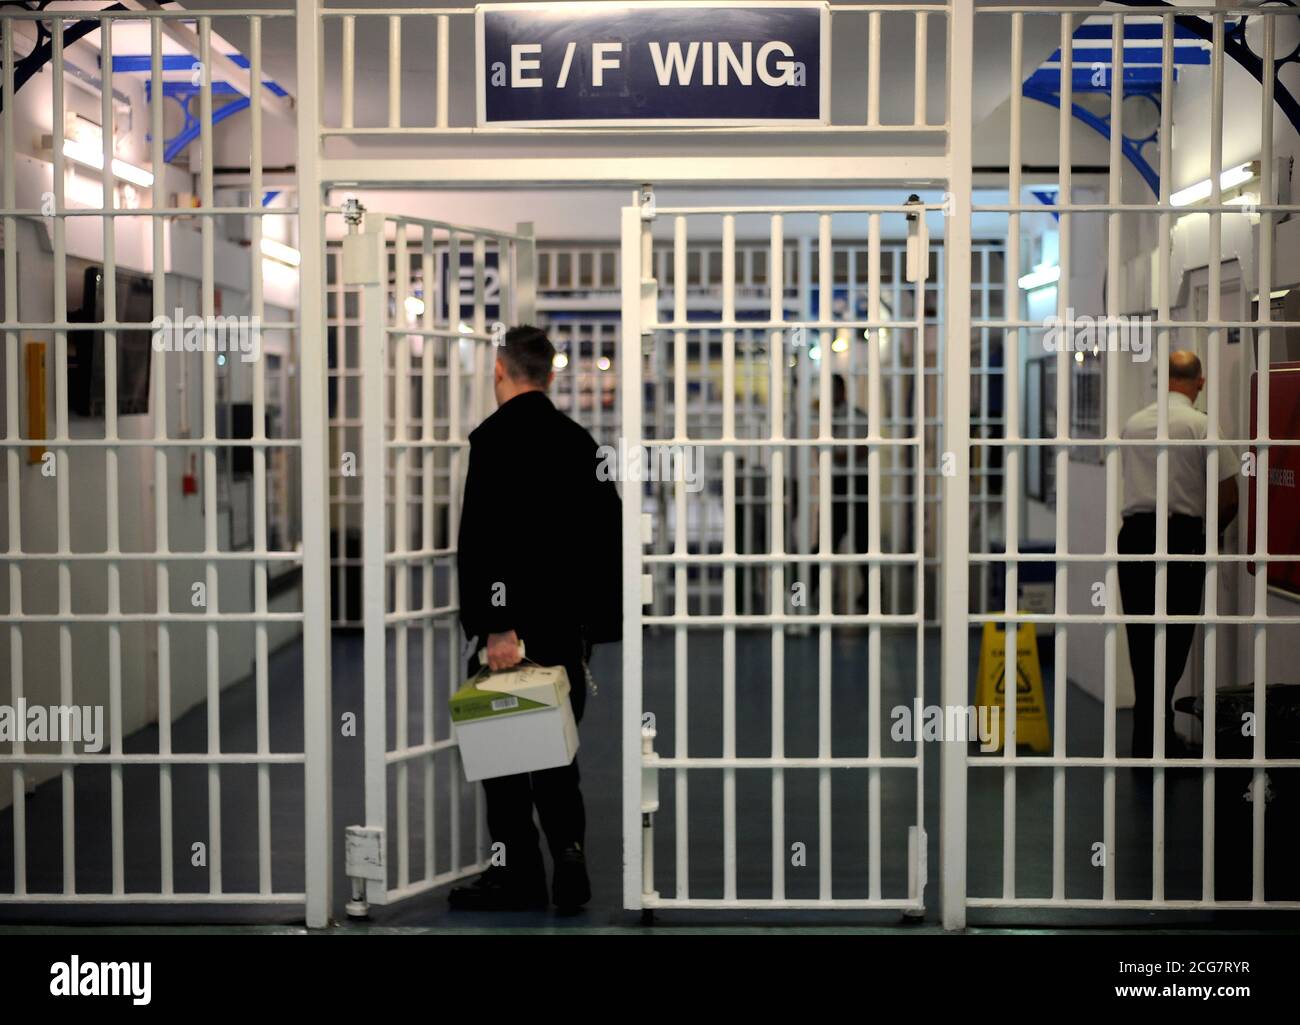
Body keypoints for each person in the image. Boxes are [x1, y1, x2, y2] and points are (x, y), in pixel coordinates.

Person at [449, 325, 621, 912]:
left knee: (504, 761)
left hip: (512, 631)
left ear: (499, 370)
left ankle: (515, 874)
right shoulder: (580, 443)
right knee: (556, 754)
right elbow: (607, 536)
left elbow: (484, 541)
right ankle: (569, 861)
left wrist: (498, 625)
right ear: (551, 374)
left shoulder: (493, 441)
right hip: (564, 629)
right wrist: (594, 623)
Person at [1118, 350, 1237, 759]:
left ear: (1162, 379)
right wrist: (1211, 535)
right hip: (1180, 538)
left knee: (1140, 638)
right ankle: (1160, 742)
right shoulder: (1200, 424)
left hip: (1133, 538)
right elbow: (1230, 496)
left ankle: (1147, 741)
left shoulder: (1134, 424)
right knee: (1174, 640)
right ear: (1199, 382)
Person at [831, 373, 871, 612]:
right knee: (829, 539)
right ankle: (809, 591)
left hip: (856, 482)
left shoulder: (856, 417)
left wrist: (839, 456)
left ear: (842, 392)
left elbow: (864, 448)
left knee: (862, 541)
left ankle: (872, 592)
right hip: (839, 482)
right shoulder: (830, 418)